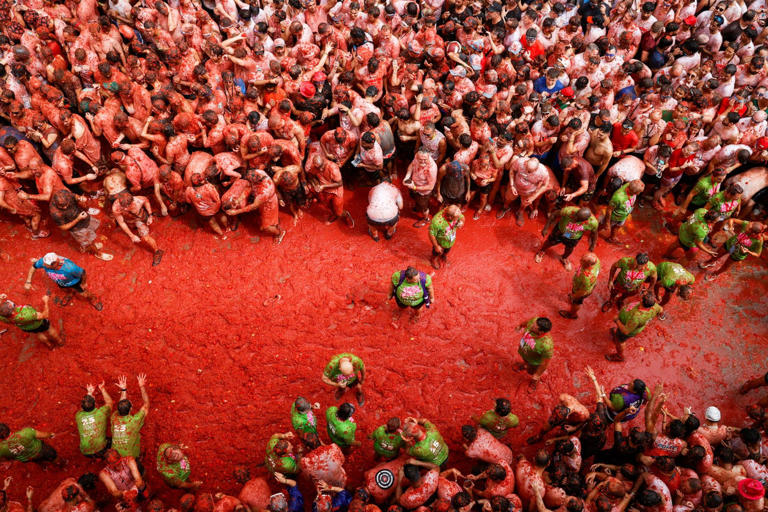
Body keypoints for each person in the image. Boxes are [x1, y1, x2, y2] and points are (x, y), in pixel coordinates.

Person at [25, 253, 102, 310]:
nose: (44, 265)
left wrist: (84, 283)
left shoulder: (70, 268)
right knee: (64, 289)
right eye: (44, 263)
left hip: (75, 283)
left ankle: (93, 299)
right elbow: (33, 267)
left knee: (85, 294)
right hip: (61, 282)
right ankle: (70, 293)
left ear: (55, 263)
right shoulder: (44, 262)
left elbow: (83, 273)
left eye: (46, 265)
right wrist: (28, 281)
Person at [112, 191, 164, 266]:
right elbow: (121, 222)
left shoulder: (139, 200)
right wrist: (131, 235)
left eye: (127, 206)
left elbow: (146, 201)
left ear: (132, 201)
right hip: (128, 219)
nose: (125, 208)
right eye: (123, 207)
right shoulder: (116, 207)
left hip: (138, 218)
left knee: (145, 237)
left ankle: (157, 250)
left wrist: (150, 215)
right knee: (125, 223)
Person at [608, 293, 663, 362]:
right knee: (618, 334)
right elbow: (661, 309)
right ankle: (616, 336)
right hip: (629, 324)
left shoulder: (637, 317)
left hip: (627, 328)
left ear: (642, 301)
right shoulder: (655, 306)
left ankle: (619, 356)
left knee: (620, 341)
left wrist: (617, 320)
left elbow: (626, 331)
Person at [111, 374, 149, 458]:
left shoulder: (114, 417)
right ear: (131, 408)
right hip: (131, 456)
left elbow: (120, 405)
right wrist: (142, 387)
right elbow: (146, 404)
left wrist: (123, 389)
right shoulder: (134, 421)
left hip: (115, 456)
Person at [75, 382, 114, 458]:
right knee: (116, 440)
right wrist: (102, 389)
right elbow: (109, 402)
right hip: (101, 449)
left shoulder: (78, 416)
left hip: (85, 451)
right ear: (94, 404)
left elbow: (83, 408)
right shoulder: (101, 413)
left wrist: (89, 393)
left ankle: (97, 458)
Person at [560, 252, 601, 319]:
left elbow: (583, 291)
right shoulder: (596, 260)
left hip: (581, 290)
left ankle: (572, 314)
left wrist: (574, 296)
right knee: (575, 299)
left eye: (582, 261)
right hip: (588, 285)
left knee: (576, 302)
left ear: (589, 264)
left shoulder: (586, 277)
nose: (580, 260)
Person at [516, 317, 554, 387]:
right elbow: (527, 322)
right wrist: (520, 326)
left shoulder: (546, 345)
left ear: (541, 332)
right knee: (525, 361)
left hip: (533, 362)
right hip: (525, 352)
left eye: (534, 327)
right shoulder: (534, 321)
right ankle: (525, 364)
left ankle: (534, 383)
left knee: (531, 373)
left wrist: (537, 374)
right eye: (533, 323)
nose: (531, 325)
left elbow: (545, 362)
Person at [428, 205, 465, 269]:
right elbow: (431, 234)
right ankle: (434, 259)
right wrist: (436, 246)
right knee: (436, 252)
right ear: (450, 217)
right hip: (440, 242)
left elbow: (462, 217)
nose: (459, 217)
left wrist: (462, 222)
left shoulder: (456, 213)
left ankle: (443, 256)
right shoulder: (437, 222)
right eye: (457, 218)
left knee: (447, 250)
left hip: (450, 240)